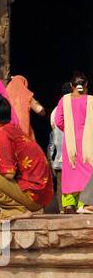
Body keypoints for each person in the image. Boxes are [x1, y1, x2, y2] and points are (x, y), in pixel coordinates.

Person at [53, 73, 93, 212]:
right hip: (88, 141)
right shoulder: (91, 100)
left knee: (70, 171)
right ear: (86, 85)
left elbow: (58, 121)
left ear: (71, 86)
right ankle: (84, 204)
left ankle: (69, 204)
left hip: (70, 142)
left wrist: (70, 130)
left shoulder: (64, 100)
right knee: (88, 171)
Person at [5, 74, 47, 140]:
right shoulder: (23, 91)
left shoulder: (3, 92)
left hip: (8, 134)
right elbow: (41, 111)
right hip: (24, 135)